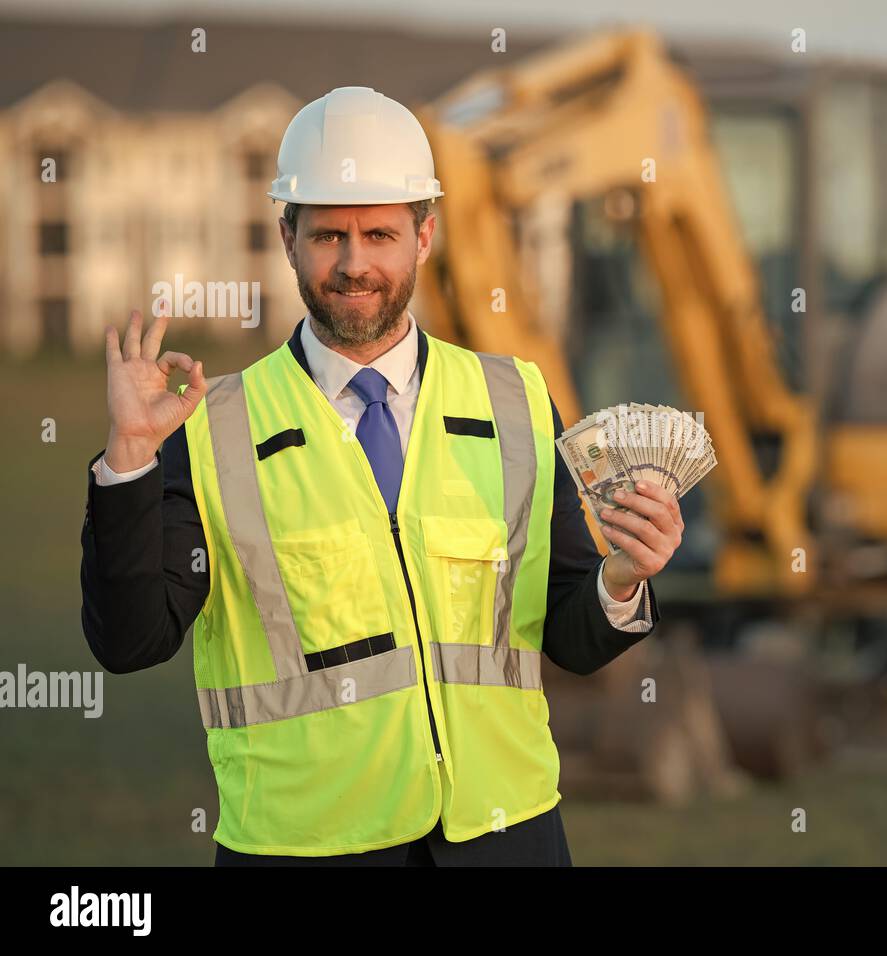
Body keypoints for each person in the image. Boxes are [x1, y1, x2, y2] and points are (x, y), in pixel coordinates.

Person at [78, 87, 685, 866]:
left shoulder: (517, 401)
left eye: (379, 234)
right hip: (305, 850)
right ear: (287, 237)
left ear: (424, 235)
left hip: (508, 838)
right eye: (329, 234)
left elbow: (564, 629)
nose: (354, 263)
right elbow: (130, 642)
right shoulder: (212, 428)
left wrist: (622, 581)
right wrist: (129, 457)